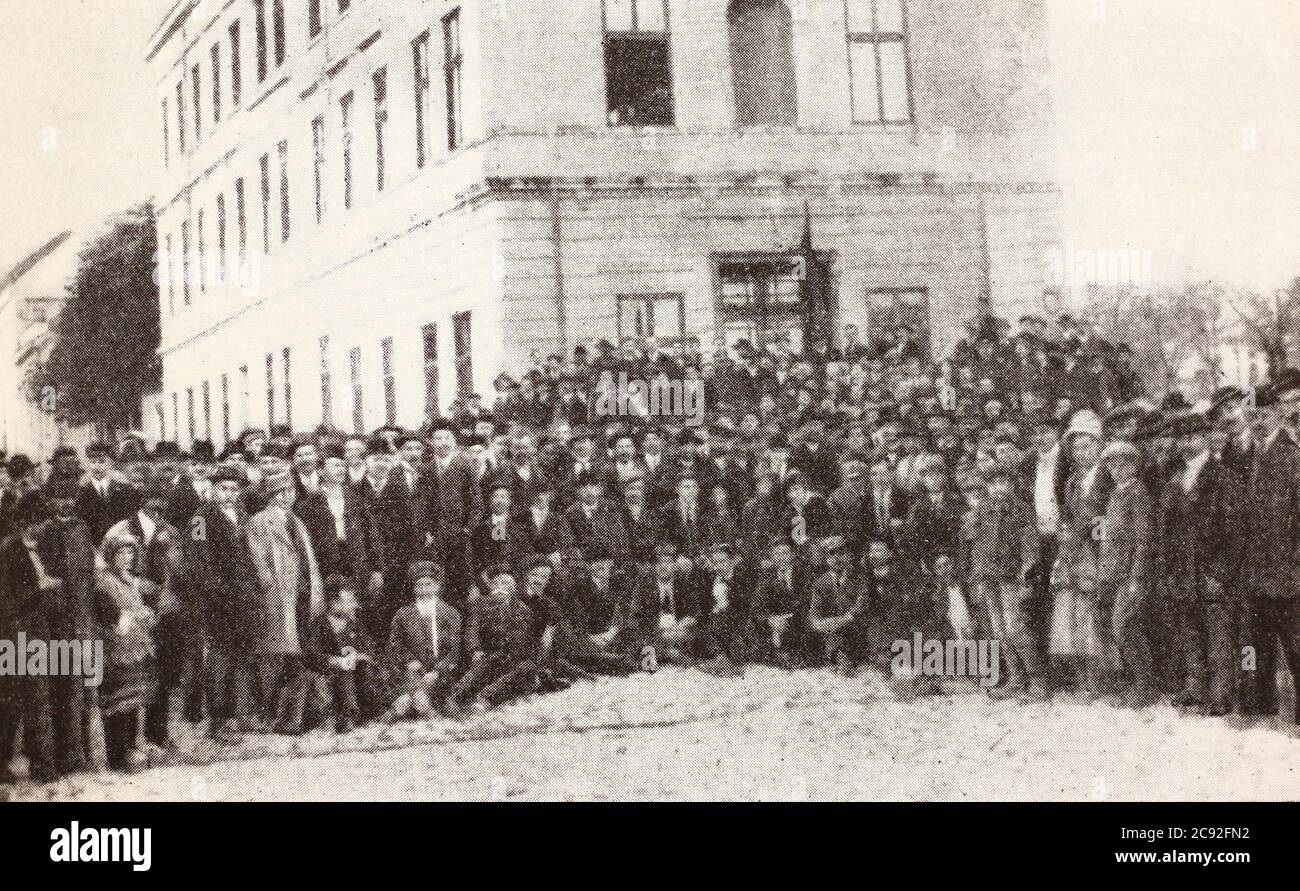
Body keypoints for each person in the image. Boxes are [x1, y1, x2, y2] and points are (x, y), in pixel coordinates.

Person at [1155, 413, 1245, 716]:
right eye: (1182, 438)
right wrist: (1168, 571)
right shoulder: (1175, 480)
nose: (1187, 443)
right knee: (1189, 628)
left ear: (1206, 437)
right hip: (1182, 571)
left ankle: (1221, 691)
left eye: (1193, 436)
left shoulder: (1223, 476)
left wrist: (1220, 574)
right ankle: (1196, 685)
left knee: (1218, 630)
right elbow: (1164, 533)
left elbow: (1236, 531)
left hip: (1211, 572)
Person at [244, 469, 324, 734]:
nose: (288, 496)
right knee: (275, 652)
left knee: (296, 648)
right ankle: (268, 710)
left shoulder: (297, 521)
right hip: (277, 594)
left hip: (300, 591)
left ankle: (291, 712)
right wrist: (268, 586)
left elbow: (306, 556)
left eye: (290, 491)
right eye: (282, 492)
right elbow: (257, 559)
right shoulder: (259, 521)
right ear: (273, 496)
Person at [0, 493, 59, 783]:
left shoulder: (41, 548)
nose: (45, 526)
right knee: (11, 703)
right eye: (41, 521)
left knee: (38, 699)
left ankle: (42, 765)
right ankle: (2, 765)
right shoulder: (8, 551)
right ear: (28, 523)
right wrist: (40, 589)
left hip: (37, 631)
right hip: (14, 634)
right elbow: (5, 599)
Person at [1095, 441, 1158, 706]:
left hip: (1130, 574)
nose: (1118, 469)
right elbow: (1105, 536)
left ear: (1134, 466)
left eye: (1124, 463)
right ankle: (1134, 683)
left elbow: (1144, 539)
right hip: (1112, 571)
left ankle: (1145, 685)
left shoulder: (1138, 493)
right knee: (1116, 627)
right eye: (1112, 465)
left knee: (1125, 627)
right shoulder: (1114, 496)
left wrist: (1137, 576)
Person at [93, 536, 159, 771]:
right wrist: (138, 614)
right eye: (121, 553)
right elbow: (117, 614)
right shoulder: (104, 581)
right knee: (116, 704)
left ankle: (132, 748)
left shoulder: (131, 580)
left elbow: (138, 609)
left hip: (135, 648)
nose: (127, 557)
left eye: (130, 553)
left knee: (133, 701)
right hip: (115, 650)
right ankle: (118, 756)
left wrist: (143, 614)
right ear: (111, 555)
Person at [383, 562, 463, 721]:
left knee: (448, 703)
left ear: (438, 587)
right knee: (413, 681)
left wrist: (437, 671)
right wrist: (409, 660)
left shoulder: (451, 614)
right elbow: (394, 646)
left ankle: (406, 704)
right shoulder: (402, 615)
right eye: (419, 586)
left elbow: (455, 650)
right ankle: (427, 711)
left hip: (442, 672)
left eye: (429, 585)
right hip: (412, 671)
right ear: (413, 589)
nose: (424, 590)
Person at [303, 575, 378, 731]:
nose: (355, 605)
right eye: (349, 601)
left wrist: (359, 656)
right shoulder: (320, 624)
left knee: (359, 669)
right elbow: (311, 655)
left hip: (355, 675)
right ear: (334, 604)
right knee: (344, 670)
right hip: (328, 673)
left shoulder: (355, 624)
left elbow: (368, 649)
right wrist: (336, 661)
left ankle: (361, 714)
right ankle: (347, 716)